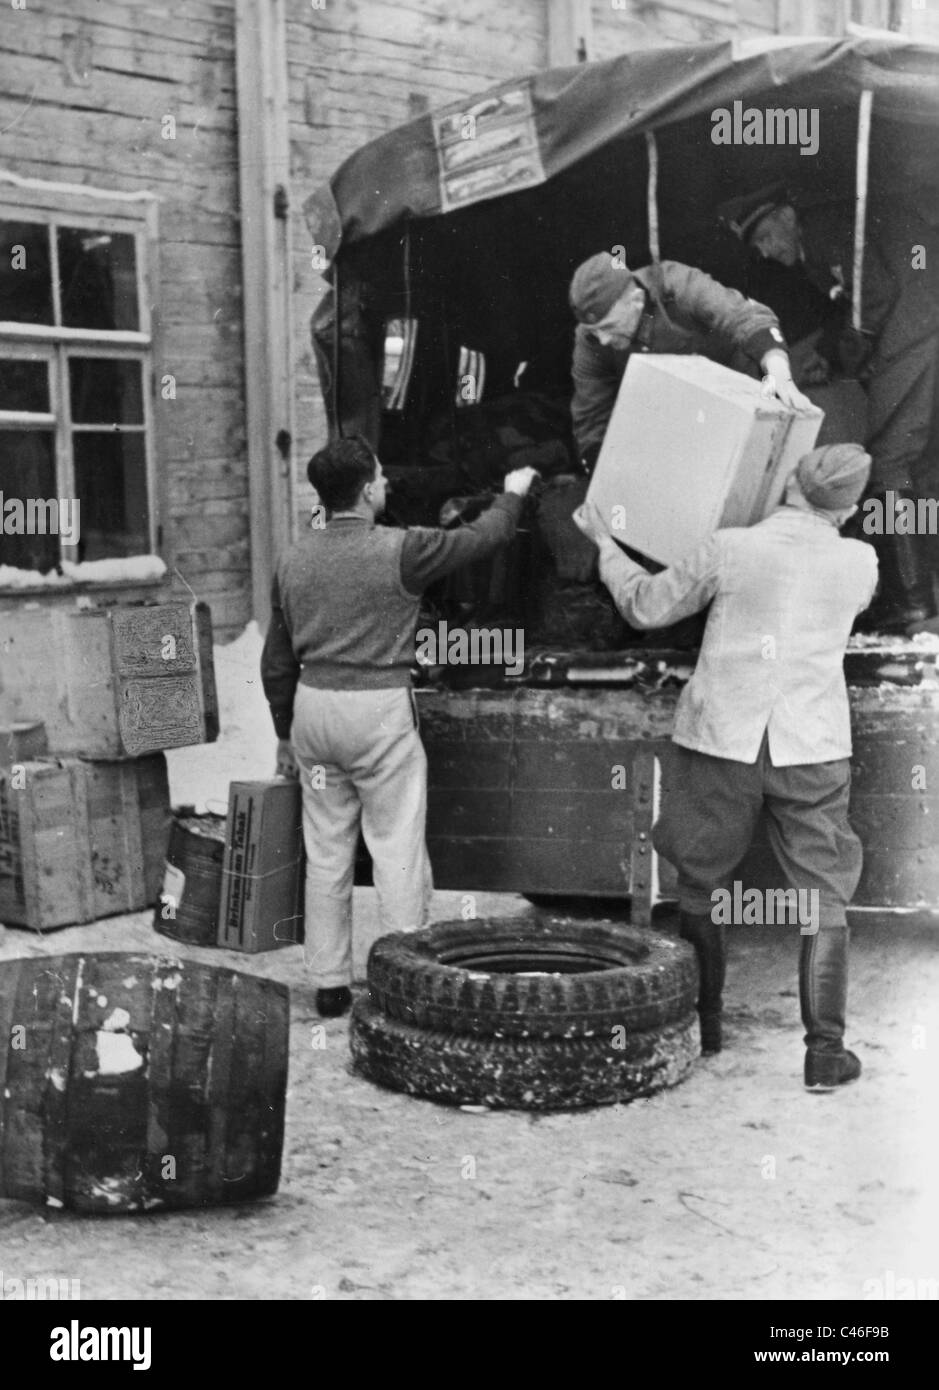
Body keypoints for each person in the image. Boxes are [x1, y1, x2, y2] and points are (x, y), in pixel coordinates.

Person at [573, 443, 878, 1091]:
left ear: (789, 483)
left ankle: (704, 1028)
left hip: (721, 740)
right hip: (811, 745)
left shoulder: (730, 547)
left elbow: (645, 607)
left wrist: (604, 541)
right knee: (822, 897)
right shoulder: (860, 561)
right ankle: (825, 1054)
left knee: (701, 882)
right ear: (849, 510)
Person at [261, 435, 537, 1017]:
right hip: (378, 712)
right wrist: (513, 494)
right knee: (396, 848)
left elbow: (277, 660)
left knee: (326, 850)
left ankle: (329, 983)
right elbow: (481, 539)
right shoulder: (403, 550)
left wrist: (284, 732)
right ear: (366, 492)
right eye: (381, 477)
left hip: (313, 709)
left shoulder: (292, 558)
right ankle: (404, 978)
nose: (387, 484)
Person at [719, 184, 939, 632]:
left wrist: (849, 352)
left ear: (786, 216)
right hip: (919, 324)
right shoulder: (821, 240)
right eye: (758, 245)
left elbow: (873, 297)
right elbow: (853, 304)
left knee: (889, 461)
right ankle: (918, 591)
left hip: (918, 331)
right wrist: (831, 350)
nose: (766, 251)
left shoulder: (827, 230)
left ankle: (911, 601)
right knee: (916, 463)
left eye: (766, 236)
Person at [568, 250, 813, 472]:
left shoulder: (676, 284)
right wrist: (606, 472)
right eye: (595, 331)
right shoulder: (591, 337)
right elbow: (591, 419)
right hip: (681, 424)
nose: (603, 339)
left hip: (742, 392)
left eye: (609, 326)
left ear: (636, 300)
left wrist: (779, 373)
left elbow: (745, 316)